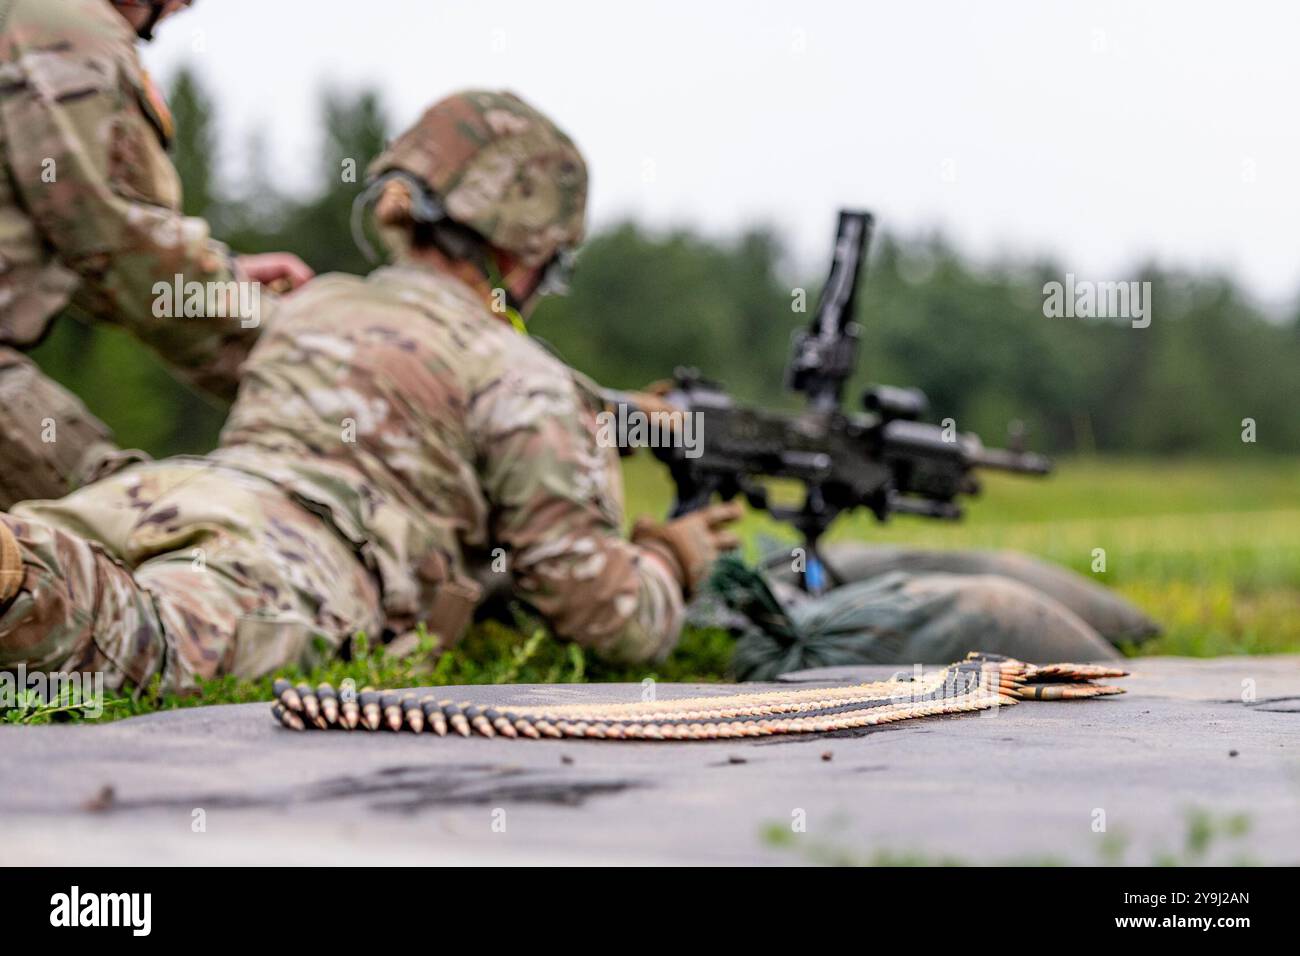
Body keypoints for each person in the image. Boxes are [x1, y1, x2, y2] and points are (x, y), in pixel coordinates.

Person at [0, 89, 741, 693]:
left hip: (163, 494)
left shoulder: (316, 304)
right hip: (301, 553)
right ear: (526, 257)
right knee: (140, 643)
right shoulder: (520, 375)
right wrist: (670, 559)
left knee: (51, 562)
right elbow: (602, 612)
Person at [0, 0, 312, 507]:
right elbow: (115, 244)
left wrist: (223, 276)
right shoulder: (62, 23)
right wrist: (315, 354)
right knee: (134, 540)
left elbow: (80, 239)